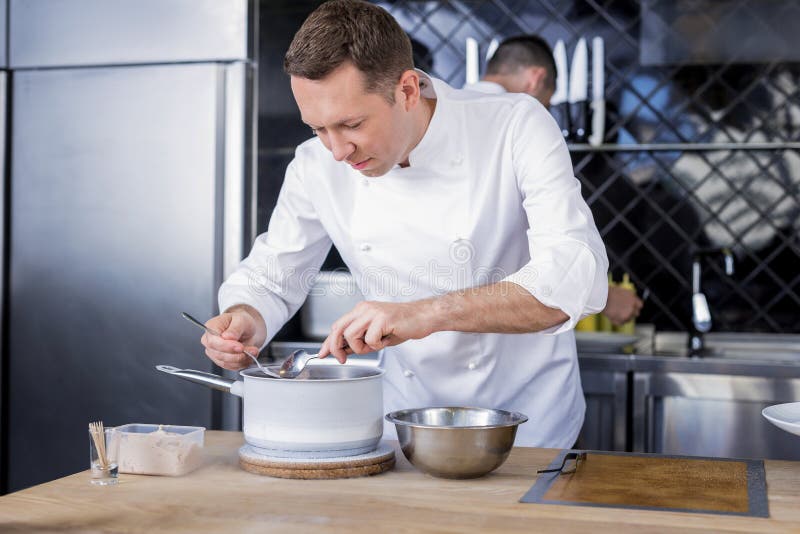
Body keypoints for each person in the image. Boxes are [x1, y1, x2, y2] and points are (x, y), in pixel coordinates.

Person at [200, 0, 609, 448]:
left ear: (409, 90)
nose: (337, 151)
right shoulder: (314, 166)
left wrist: (424, 313)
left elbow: (569, 279)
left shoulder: (515, 126)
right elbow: (273, 276)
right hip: (402, 423)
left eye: (351, 124)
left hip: (526, 426)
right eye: (317, 128)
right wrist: (246, 318)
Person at [465, 35, 643, 327]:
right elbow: (540, 243)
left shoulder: (435, 116)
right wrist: (606, 298)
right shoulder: (523, 121)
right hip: (521, 334)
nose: (546, 111)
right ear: (536, 79)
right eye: (548, 103)